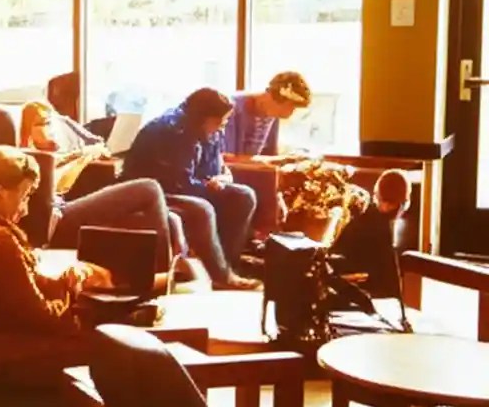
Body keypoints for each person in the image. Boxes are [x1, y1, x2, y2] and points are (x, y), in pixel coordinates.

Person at [0, 147, 113, 334]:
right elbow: (41, 317)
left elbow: (18, 288)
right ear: (0, 191)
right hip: (17, 339)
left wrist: (67, 281)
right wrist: (81, 302)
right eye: (24, 196)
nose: (25, 209)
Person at [19, 101, 186, 271]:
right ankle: (163, 270)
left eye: (51, 123)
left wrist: (80, 154)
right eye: (41, 124)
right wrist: (78, 158)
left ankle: (153, 271)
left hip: (64, 210)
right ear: (27, 131)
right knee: (150, 188)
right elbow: (57, 185)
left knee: (161, 218)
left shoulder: (54, 154)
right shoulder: (27, 160)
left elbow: (86, 148)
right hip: (56, 222)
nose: (50, 129)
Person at [121, 88, 261, 290]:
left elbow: (212, 169)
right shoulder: (173, 131)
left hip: (184, 184)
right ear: (204, 117)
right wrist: (208, 185)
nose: (222, 127)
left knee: (243, 196)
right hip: (154, 191)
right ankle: (221, 275)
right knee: (202, 209)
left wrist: (220, 178)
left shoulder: (206, 130)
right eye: (219, 121)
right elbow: (179, 182)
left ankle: (227, 265)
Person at [222, 71, 312, 161]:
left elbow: (270, 155)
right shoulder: (233, 109)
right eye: (291, 106)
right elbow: (227, 158)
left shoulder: (272, 114)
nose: (291, 112)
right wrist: (278, 160)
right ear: (277, 97)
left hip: (252, 173)